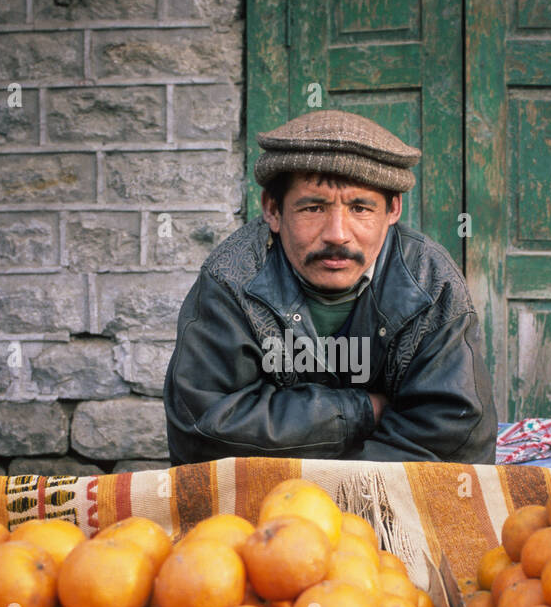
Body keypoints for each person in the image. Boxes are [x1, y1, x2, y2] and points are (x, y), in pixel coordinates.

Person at [163, 109, 496, 465]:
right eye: (313, 208)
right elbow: (204, 425)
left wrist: (340, 489)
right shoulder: (233, 278)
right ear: (273, 210)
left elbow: (455, 432)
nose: (337, 233)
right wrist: (363, 410)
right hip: (274, 509)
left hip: (375, 506)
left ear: (393, 210)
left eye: (360, 208)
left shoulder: (430, 282)